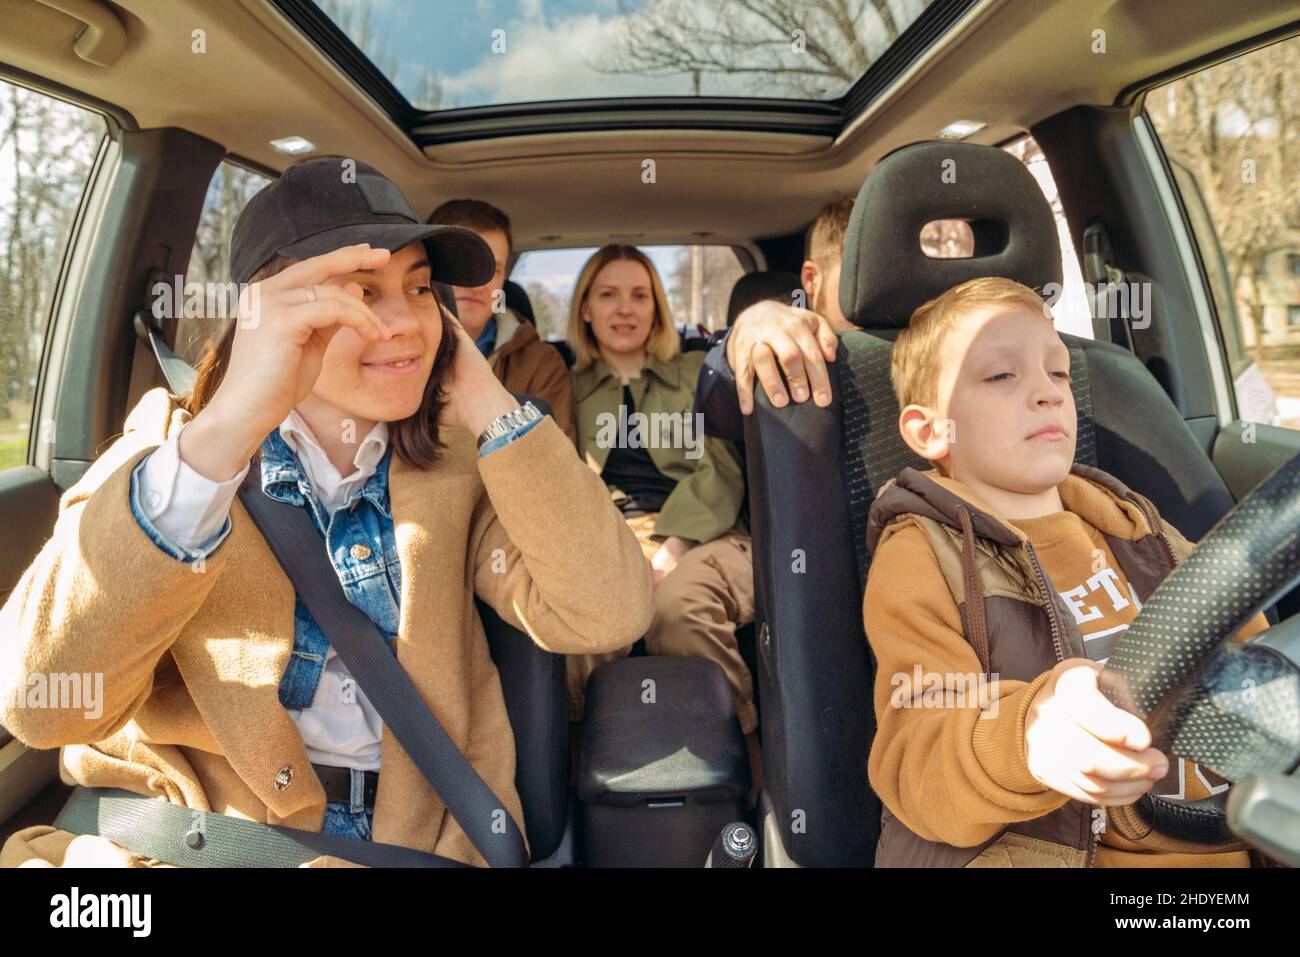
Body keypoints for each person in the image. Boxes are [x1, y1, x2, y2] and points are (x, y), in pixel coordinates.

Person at [0, 159, 653, 868]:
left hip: (416, 842)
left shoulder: (458, 466)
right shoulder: (168, 453)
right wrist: (225, 434)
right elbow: (40, 704)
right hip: (196, 840)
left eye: (417, 288)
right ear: (267, 313)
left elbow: (609, 611)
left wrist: (485, 396)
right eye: (361, 293)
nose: (405, 321)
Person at [861, 276, 1270, 867]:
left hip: (1231, 841)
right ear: (930, 431)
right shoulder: (923, 554)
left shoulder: (1137, 527)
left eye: (1057, 373)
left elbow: (1247, 640)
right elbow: (917, 755)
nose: (1049, 393)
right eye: (1002, 376)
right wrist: (1028, 739)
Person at [566, 244, 762, 795]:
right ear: (585, 309)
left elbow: (722, 472)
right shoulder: (571, 387)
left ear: (657, 309)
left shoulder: (699, 371)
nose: (624, 309)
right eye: (607, 295)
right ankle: (585, 778)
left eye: (639, 295)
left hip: (708, 532)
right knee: (586, 617)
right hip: (610, 535)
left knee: (679, 606)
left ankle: (747, 769)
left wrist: (670, 547)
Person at [695, 197, 856, 443]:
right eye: (862, 278)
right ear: (811, 279)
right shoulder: (776, 342)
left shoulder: (926, 341)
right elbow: (714, 414)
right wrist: (745, 336)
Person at [427, 199, 575, 442]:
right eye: (461, 264)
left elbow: (556, 464)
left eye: (492, 270)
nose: (476, 283)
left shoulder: (540, 363)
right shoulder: (395, 350)